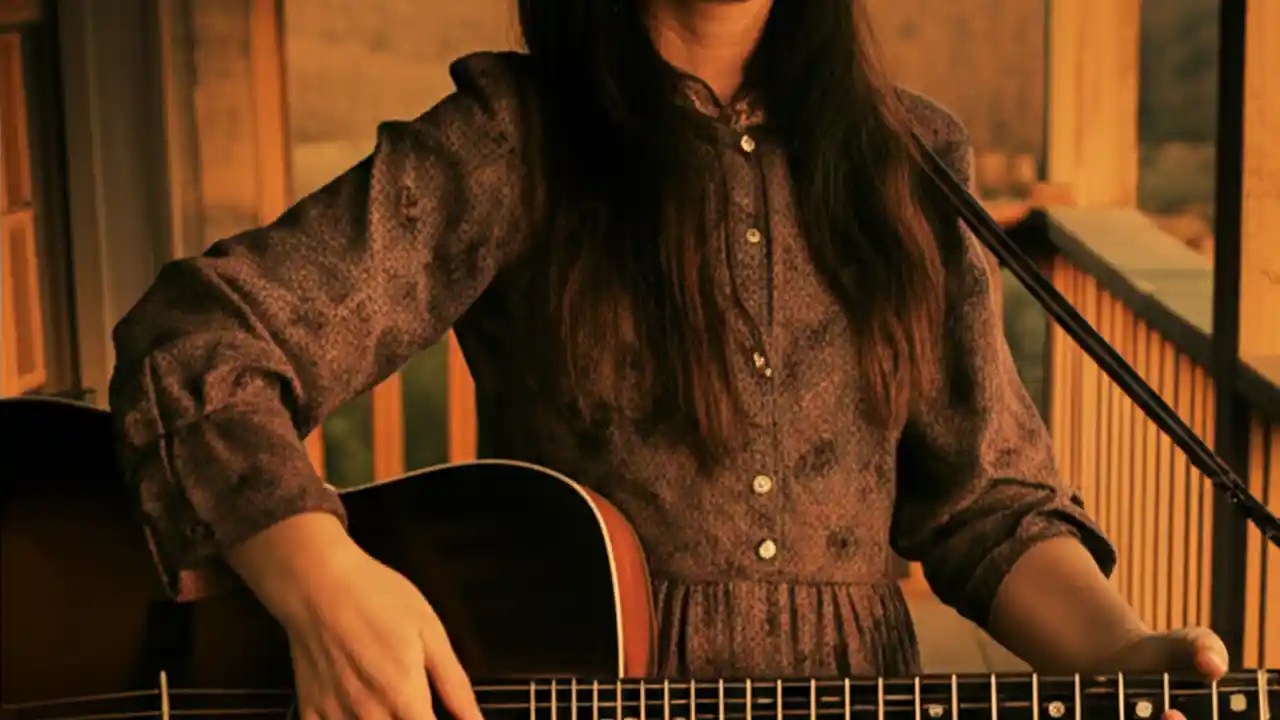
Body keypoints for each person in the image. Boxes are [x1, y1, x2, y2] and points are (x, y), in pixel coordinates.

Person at [108, 1, 1228, 718]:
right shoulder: (514, 139)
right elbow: (202, 339)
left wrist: (1120, 654)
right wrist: (320, 584)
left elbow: (985, 505)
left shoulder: (908, 157)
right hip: (578, 695)